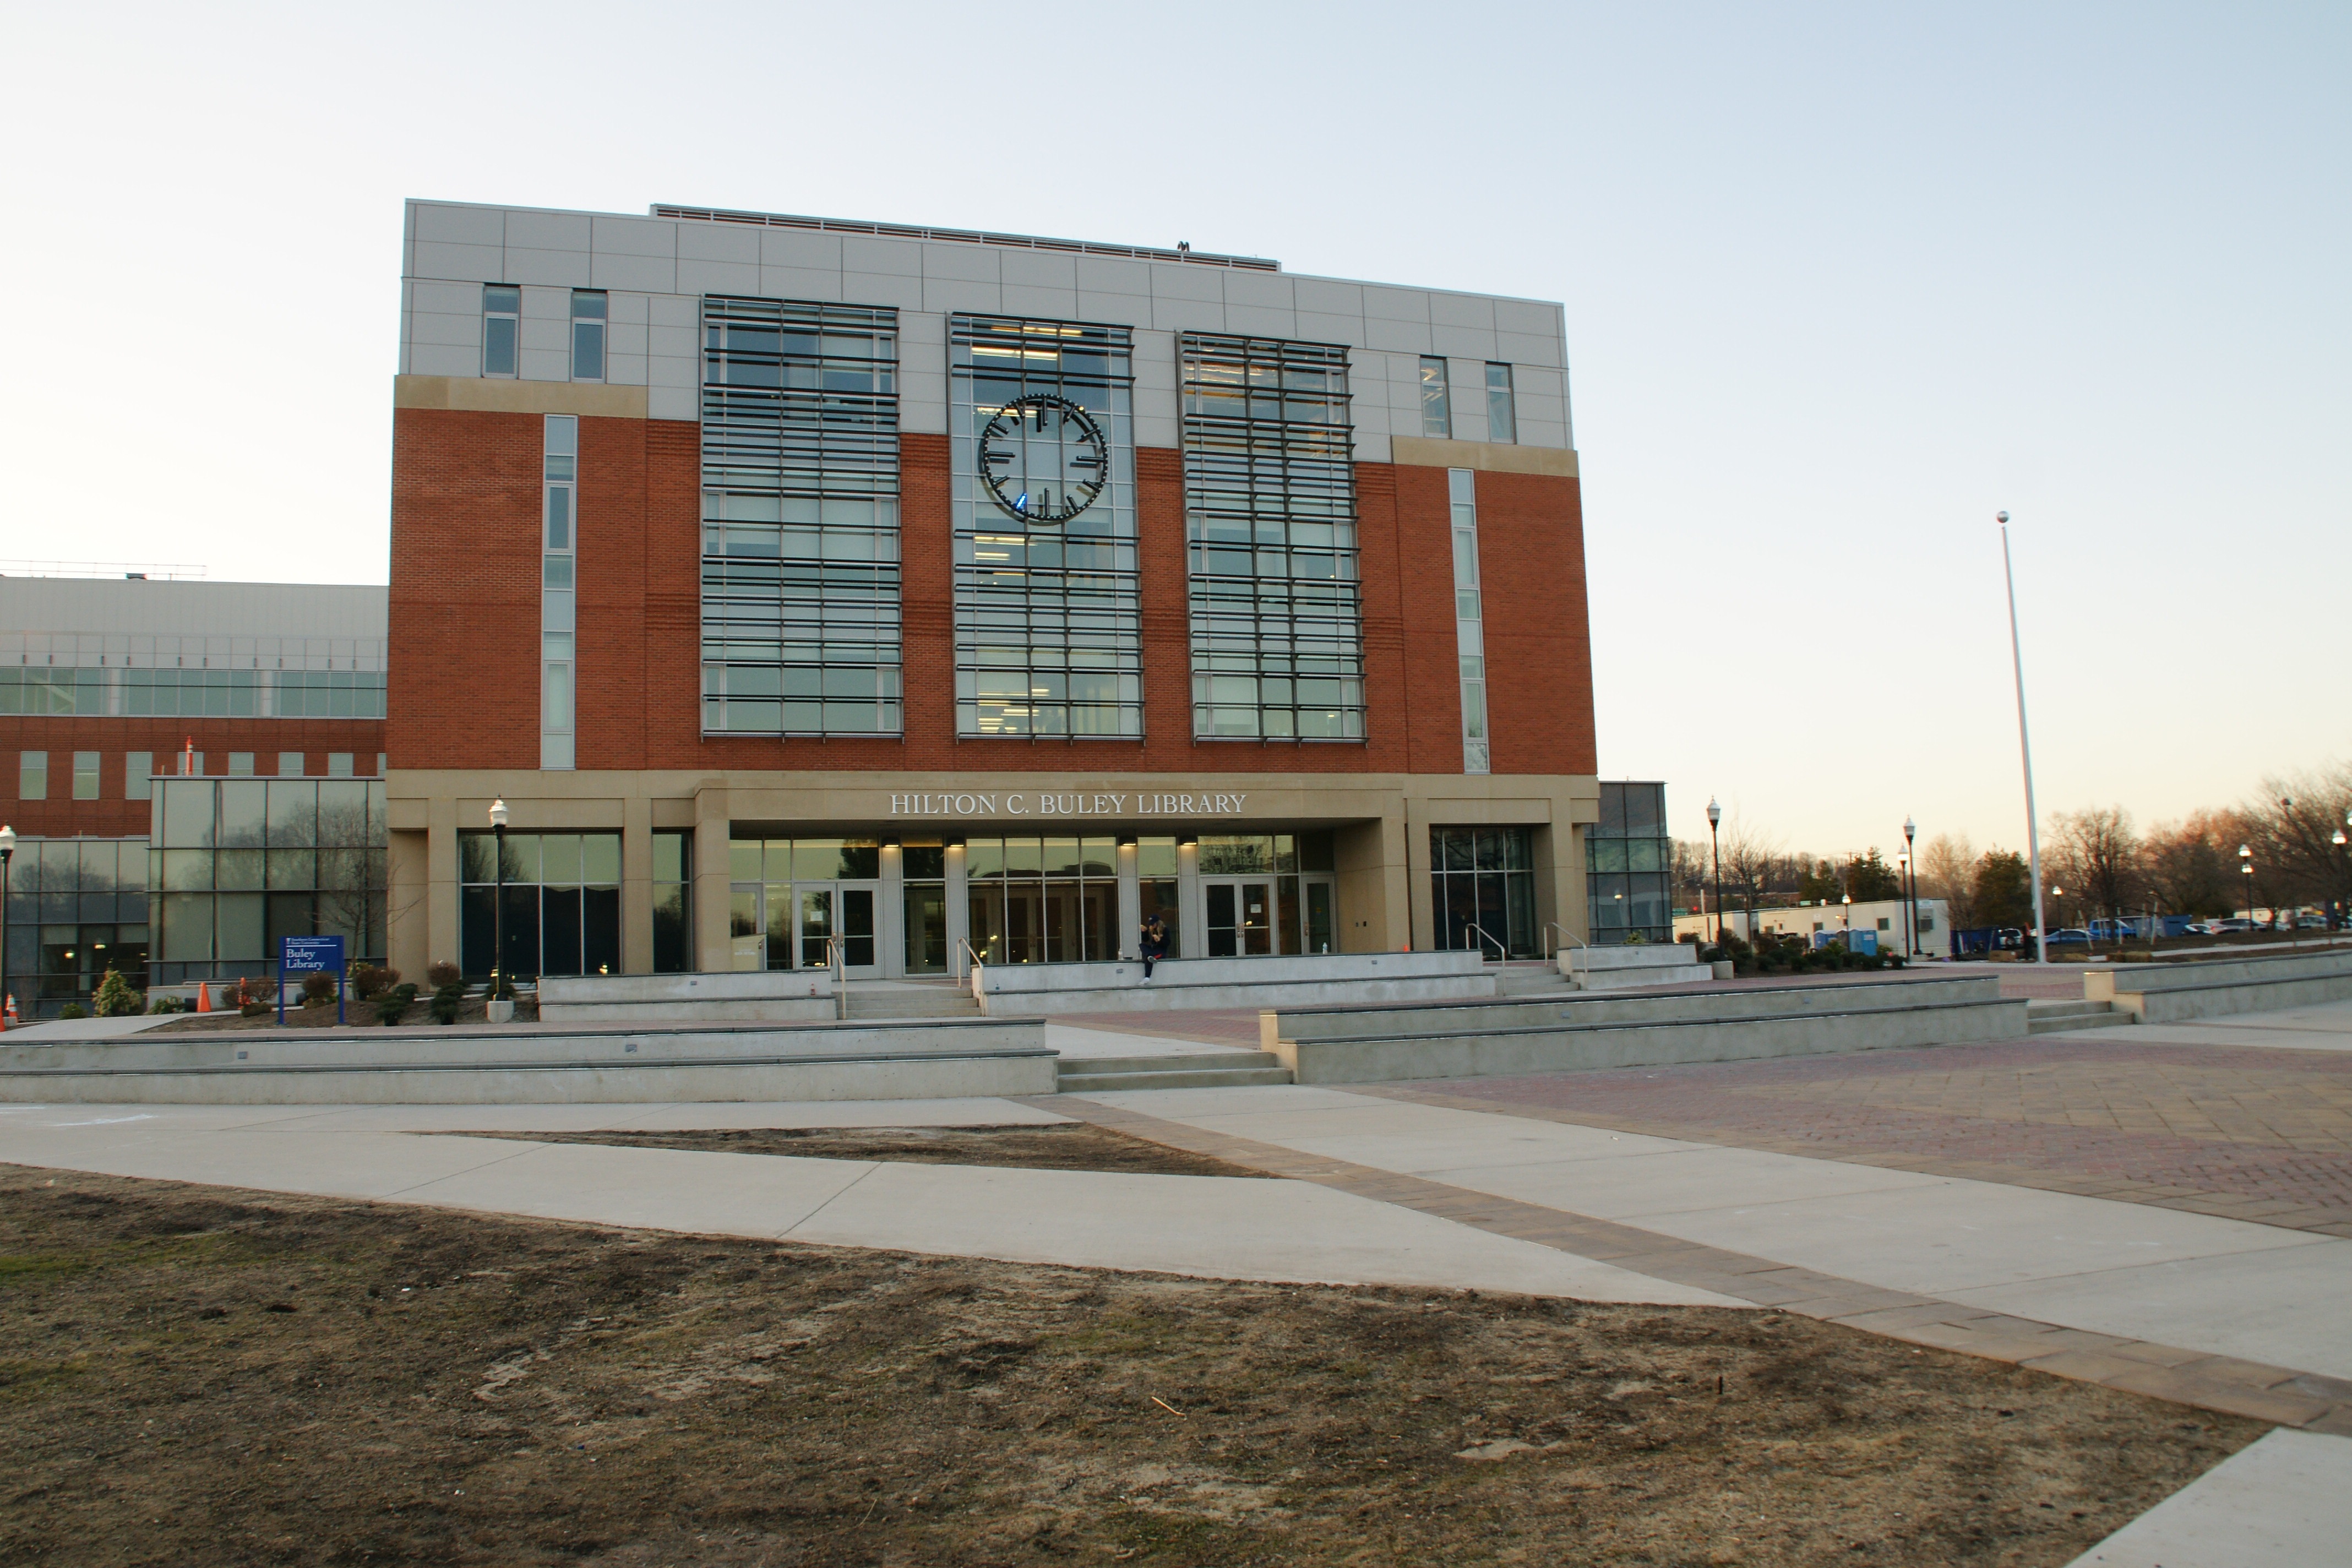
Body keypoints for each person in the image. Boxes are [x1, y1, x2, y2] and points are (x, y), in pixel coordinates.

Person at [1138, 914, 1168, 980]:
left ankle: (1147, 977)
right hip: (1153, 950)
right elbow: (1146, 940)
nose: (1152, 926)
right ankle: (1149, 956)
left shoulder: (1165, 930)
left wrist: (1159, 941)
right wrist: (1144, 932)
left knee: (1148, 957)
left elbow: (1167, 943)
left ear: (1157, 923)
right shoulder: (1152, 930)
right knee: (1142, 946)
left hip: (1161, 952)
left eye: (1153, 924)